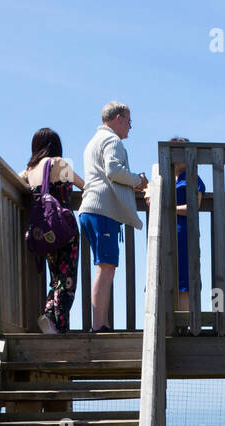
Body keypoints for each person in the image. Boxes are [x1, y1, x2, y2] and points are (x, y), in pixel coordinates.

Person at [78, 102, 146, 332]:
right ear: (118, 118)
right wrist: (138, 180)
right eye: (128, 121)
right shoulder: (112, 140)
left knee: (104, 267)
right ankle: (99, 325)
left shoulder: (93, 141)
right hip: (102, 211)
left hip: (91, 209)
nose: (130, 127)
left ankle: (102, 321)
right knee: (106, 269)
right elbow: (114, 171)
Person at [21, 128, 84, 334]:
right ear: (55, 145)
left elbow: (18, 180)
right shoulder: (58, 163)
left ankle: (50, 317)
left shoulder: (29, 171)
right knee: (67, 279)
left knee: (56, 276)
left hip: (45, 232)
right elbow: (85, 185)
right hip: (64, 229)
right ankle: (57, 323)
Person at [170, 137, 205, 314]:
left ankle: (185, 322)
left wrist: (169, 209)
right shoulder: (168, 179)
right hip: (168, 235)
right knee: (169, 276)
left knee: (184, 277)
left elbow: (193, 207)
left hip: (184, 233)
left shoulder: (192, 178)